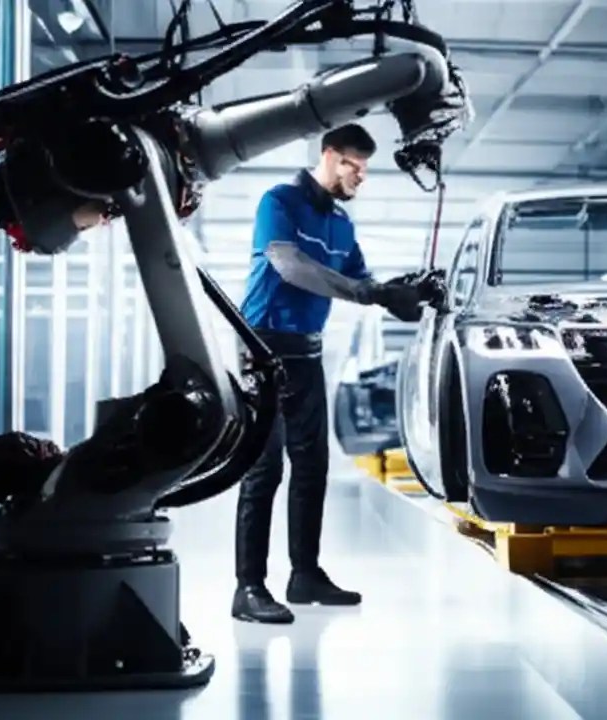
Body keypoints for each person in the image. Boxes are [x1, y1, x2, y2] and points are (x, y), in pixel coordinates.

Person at [232, 123, 442, 623]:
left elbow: (363, 282)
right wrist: (367, 293)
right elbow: (290, 266)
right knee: (266, 468)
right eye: (353, 164)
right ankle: (248, 588)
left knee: (312, 465)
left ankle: (304, 575)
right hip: (261, 347)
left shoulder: (342, 224)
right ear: (329, 156)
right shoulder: (278, 201)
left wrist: (405, 293)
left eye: (365, 168)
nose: (360, 176)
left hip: (306, 350)